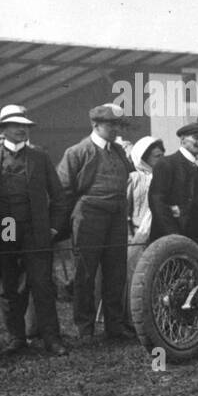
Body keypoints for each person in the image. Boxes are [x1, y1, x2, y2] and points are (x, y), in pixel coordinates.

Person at [0, 105, 70, 356]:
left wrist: (52, 228)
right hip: (6, 229)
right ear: (2, 129)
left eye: (25, 126)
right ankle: (16, 337)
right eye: (15, 125)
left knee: (42, 284)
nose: (22, 129)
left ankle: (52, 338)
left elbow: (59, 198)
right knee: (10, 285)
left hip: (34, 229)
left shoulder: (40, 157)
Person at [57, 103, 135, 342]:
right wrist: (65, 224)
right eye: (111, 124)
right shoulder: (78, 152)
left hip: (116, 216)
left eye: (119, 125)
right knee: (85, 273)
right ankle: (85, 328)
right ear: (95, 124)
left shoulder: (119, 151)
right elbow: (64, 189)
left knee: (116, 272)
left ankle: (114, 326)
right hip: (89, 215)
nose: (115, 129)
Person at [149, 123, 198, 256]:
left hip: (194, 243)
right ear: (183, 139)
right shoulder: (167, 163)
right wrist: (174, 236)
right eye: (196, 137)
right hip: (169, 241)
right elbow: (157, 202)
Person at [124, 136, 164, 317]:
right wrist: (130, 233)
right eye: (156, 156)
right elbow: (126, 208)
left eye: (162, 156)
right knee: (135, 275)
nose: (161, 160)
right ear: (144, 157)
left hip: (159, 232)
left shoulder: (165, 177)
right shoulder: (134, 178)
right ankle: (135, 316)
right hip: (137, 235)